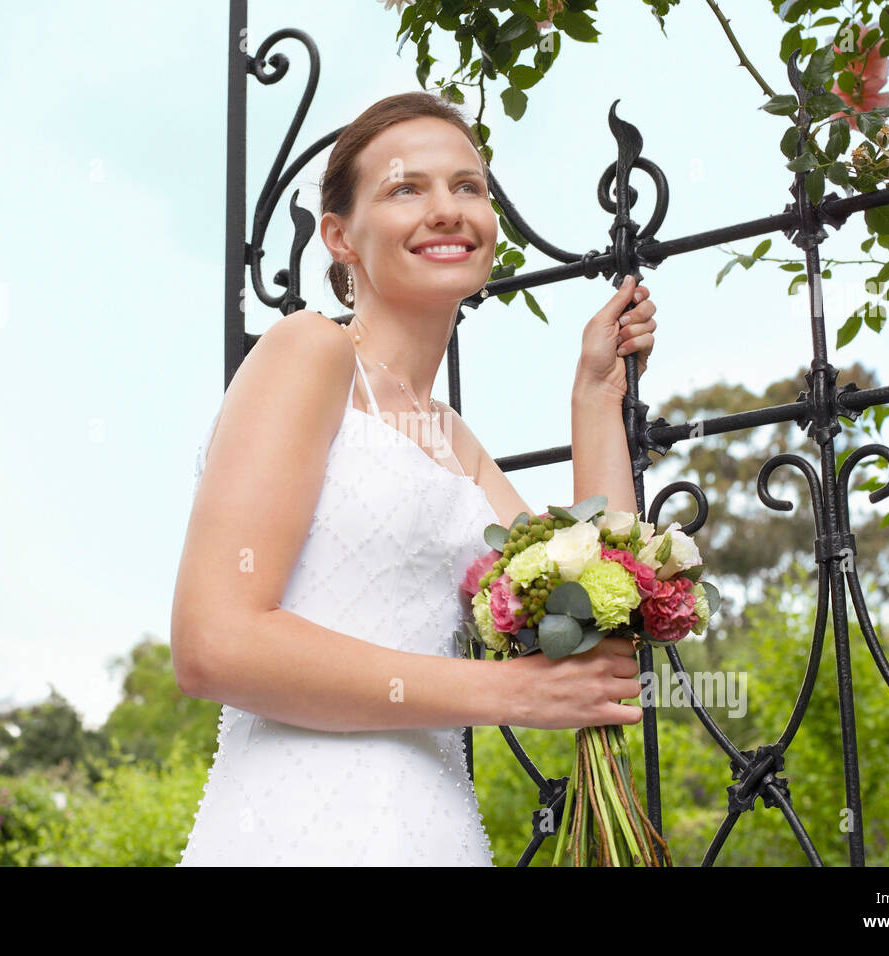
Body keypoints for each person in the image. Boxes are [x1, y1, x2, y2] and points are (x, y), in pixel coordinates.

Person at [171, 91, 658, 866]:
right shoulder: (309, 352)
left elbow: (600, 605)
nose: (447, 210)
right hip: (294, 828)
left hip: (436, 831)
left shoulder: (453, 440)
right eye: (407, 188)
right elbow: (213, 644)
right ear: (340, 237)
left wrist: (596, 395)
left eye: (468, 187)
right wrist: (509, 696)